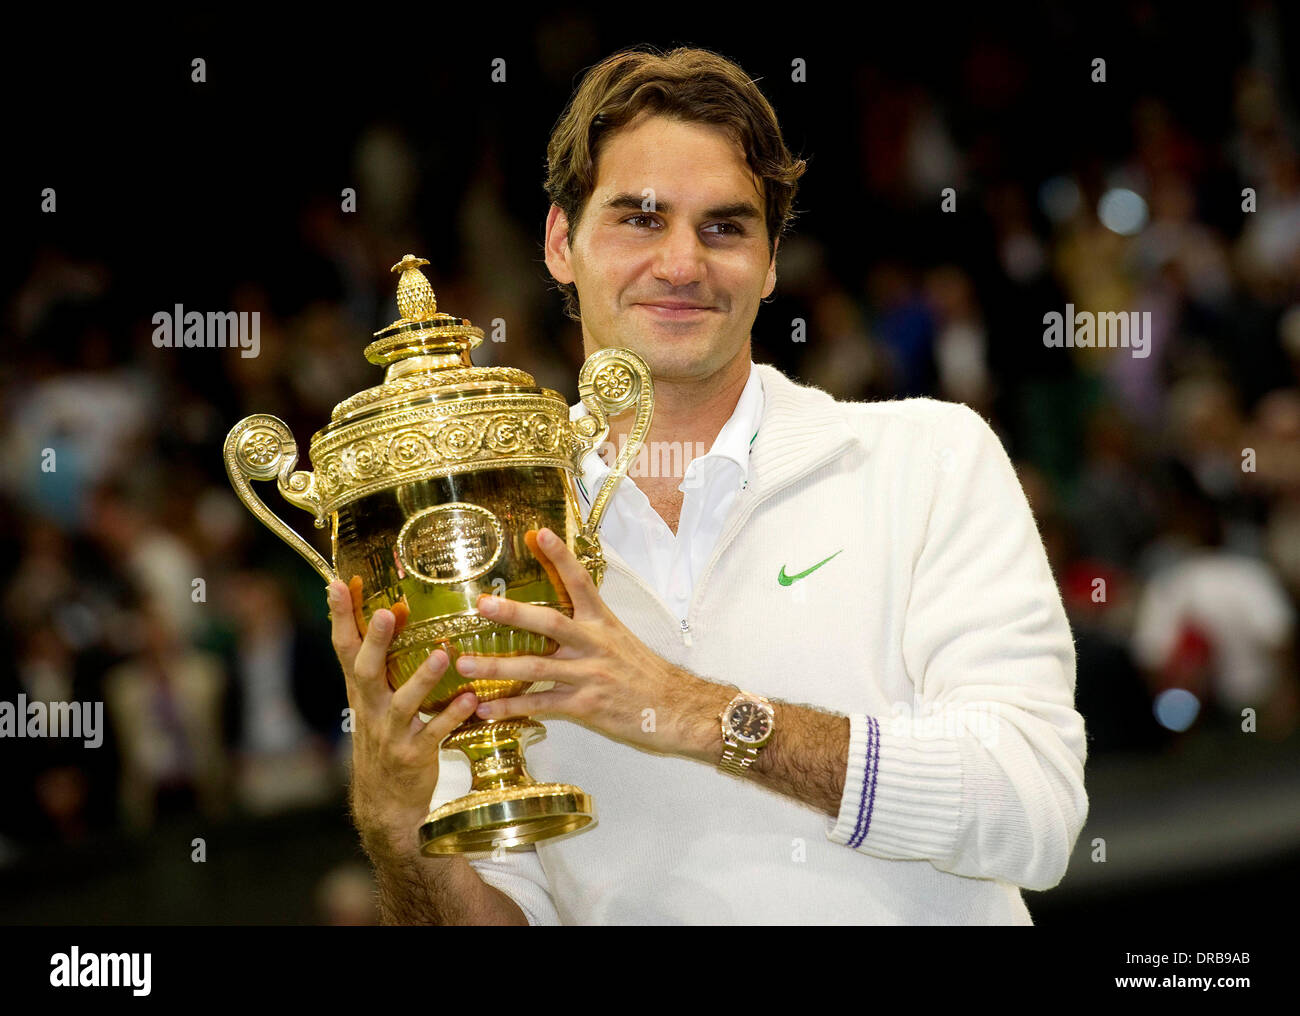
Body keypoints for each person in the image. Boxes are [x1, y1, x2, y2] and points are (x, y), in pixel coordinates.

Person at [328, 45, 1088, 925]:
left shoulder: (931, 459)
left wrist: (686, 709)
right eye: (640, 221)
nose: (682, 263)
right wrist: (392, 824)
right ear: (559, 244)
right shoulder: (481, 547)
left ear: (771, 263)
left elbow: (1032, 810)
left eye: (725, 227)